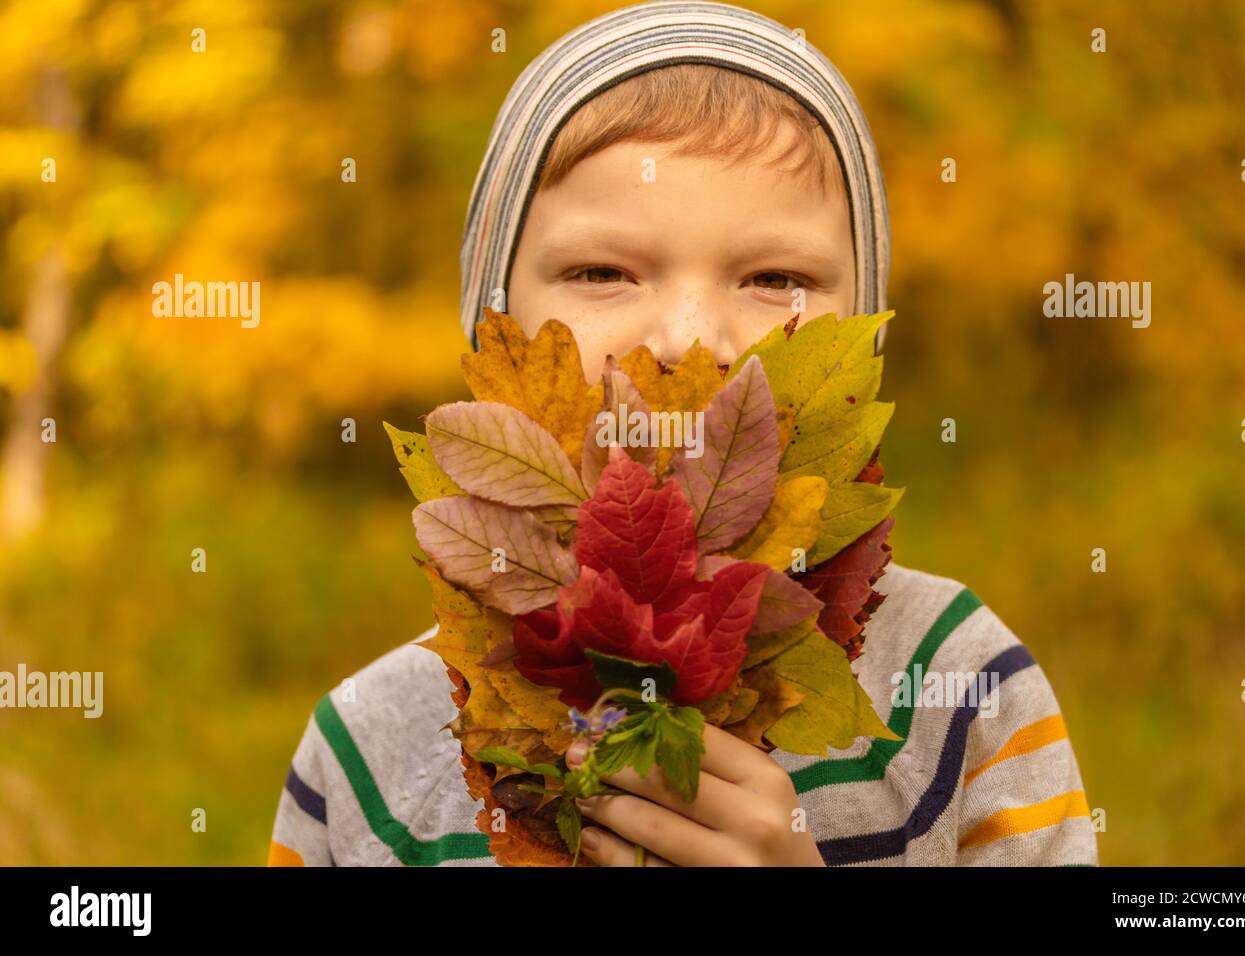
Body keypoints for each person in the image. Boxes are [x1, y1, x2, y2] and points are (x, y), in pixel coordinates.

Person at [268, 0, 1098, 867]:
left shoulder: (961, 686)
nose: (690, 339)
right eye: (602, 272)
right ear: (495, 333)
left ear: (862, 344)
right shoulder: (365, 753)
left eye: (776, 277)